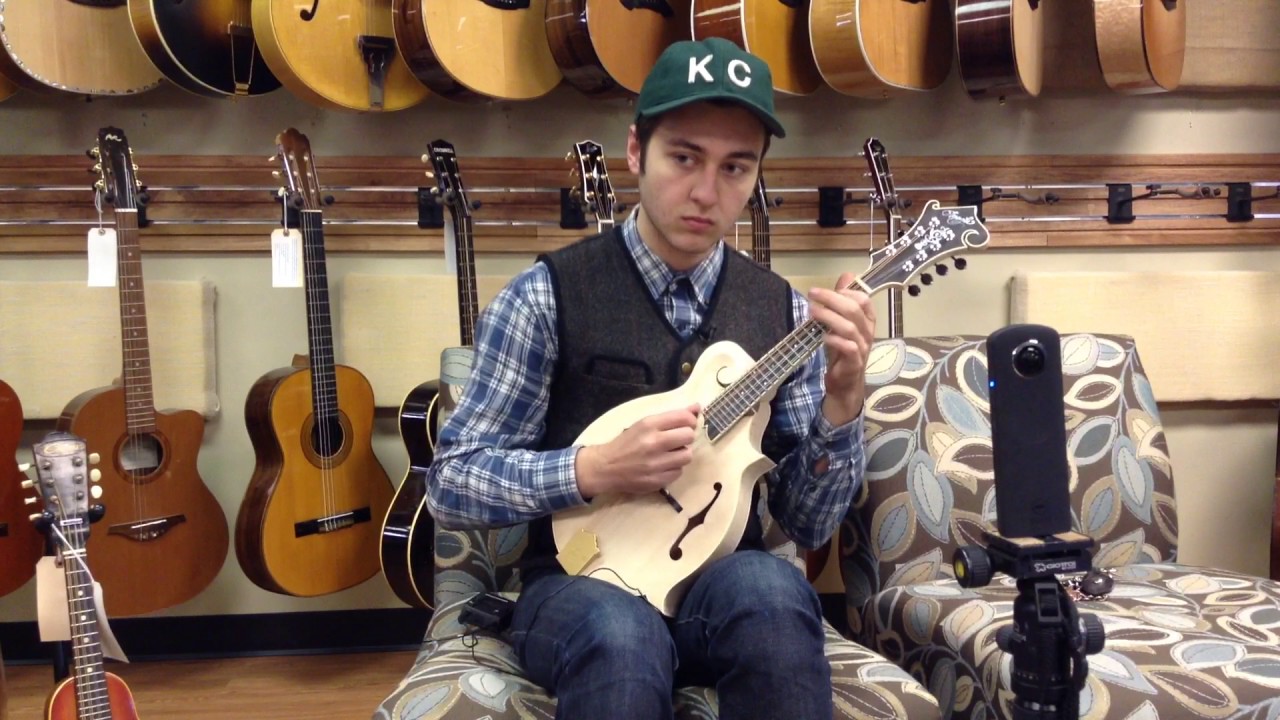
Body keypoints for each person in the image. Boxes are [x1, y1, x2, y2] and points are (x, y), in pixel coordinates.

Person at [426, 36, 876, 720]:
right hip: (580, 586)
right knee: (620, 635)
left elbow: (806, 521)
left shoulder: (783, 313)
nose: (706, 192)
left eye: (735, 167)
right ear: (636, 150)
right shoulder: (546, 296)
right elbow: (452, 483)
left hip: (720, 584)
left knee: (776, 597)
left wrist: (843, 402)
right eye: (684, 158)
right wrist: (594, 468)